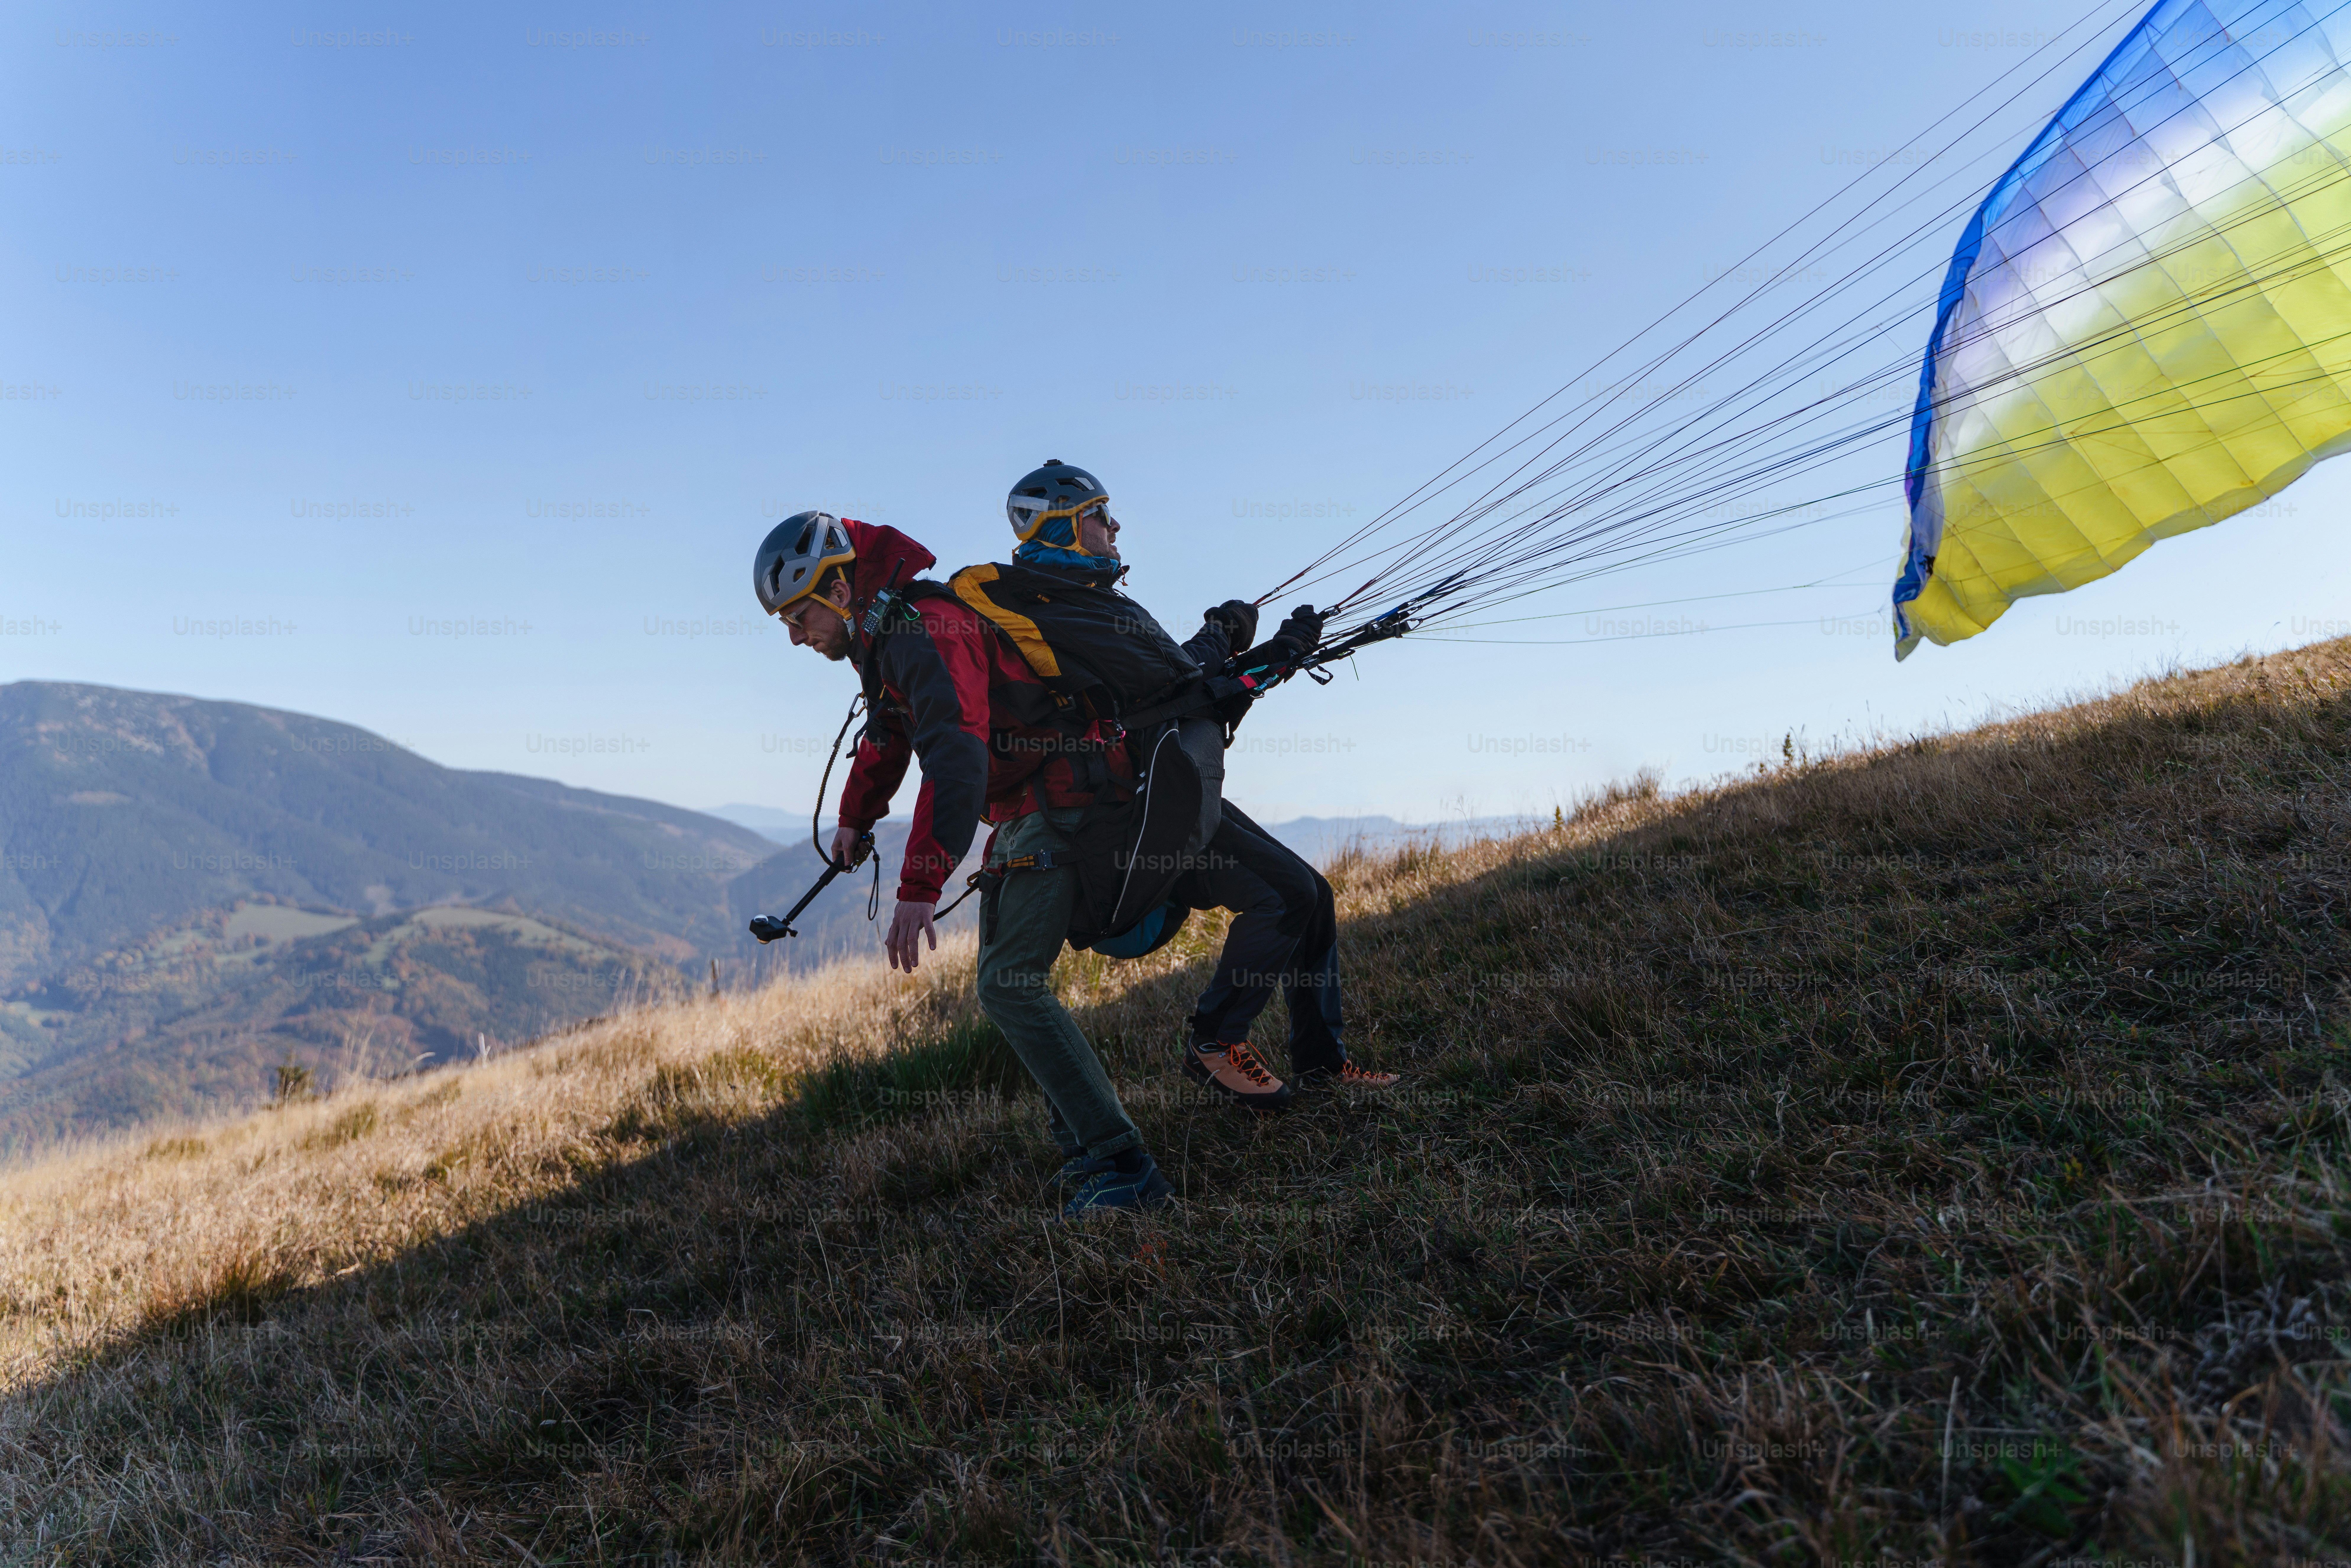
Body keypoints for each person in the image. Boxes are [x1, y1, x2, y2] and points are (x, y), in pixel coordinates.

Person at [753, 508, 1172, 1218]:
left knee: (1011, 986)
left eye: (799, 616)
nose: (795, 637)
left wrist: (920, 883)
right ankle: (1085, 1153)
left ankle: (1125, 1166)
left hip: (1058, 804)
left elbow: (954, 752)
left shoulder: (925, 628)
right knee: (1006, 985)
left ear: (839, 592)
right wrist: (857, 815)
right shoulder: (885, 637)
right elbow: (891, 729)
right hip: (1018, 812)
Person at [997, 461, 1399, 1115]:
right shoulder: (1066, 605)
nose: (1114, 525)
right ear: (1068, 527)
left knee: (1310, 894)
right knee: (1285, 898)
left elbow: (1167, 684)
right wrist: (1248, 642)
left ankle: (1323, 1063)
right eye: (1100, 515)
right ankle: (1215, 1042)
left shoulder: (1076, 600)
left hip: (1158, 785)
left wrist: (1251, 645)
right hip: (1135, 817)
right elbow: (1178, 680)